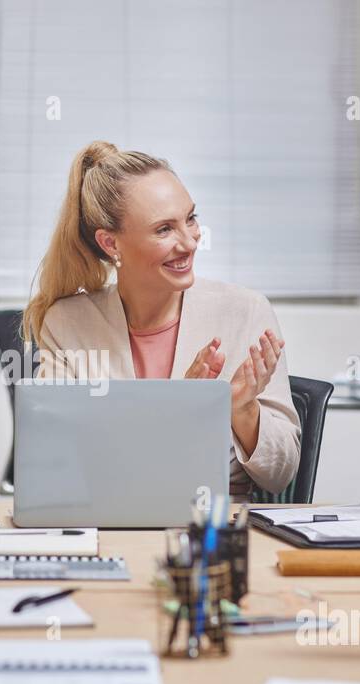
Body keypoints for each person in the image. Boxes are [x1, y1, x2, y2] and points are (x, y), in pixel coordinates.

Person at [25, 141, 301, 497]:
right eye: (164, 229)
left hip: (212, 534)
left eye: (191, 219)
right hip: (106, 526)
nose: (189, 242)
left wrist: (242, 411)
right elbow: (57, 465)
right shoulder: (69, 325)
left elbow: (281, 473)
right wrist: (177, 407)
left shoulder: (244, 311)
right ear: (111, 244)